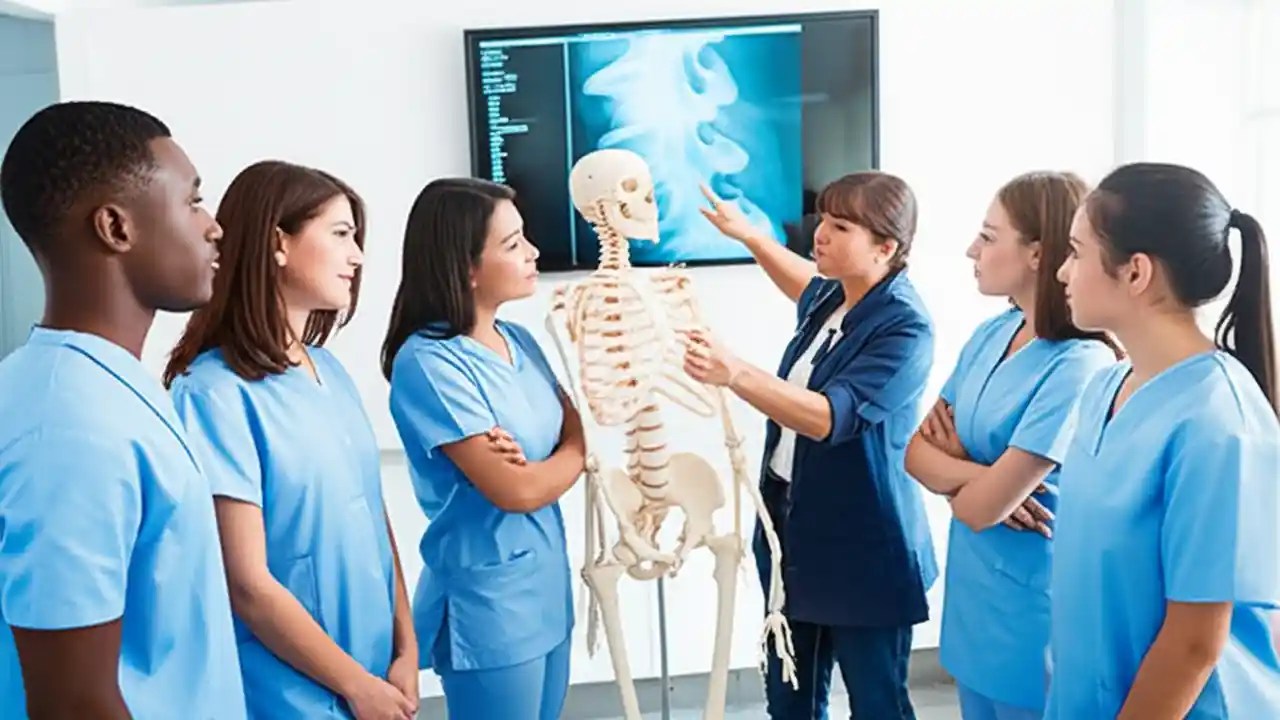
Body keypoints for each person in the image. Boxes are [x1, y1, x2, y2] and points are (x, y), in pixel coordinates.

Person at [0, 101, 246, 718]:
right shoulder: (69, 427)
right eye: (192, 201)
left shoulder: (103, 386)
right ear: (115, 228)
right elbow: (72, 702)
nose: (214, 227)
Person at [162, 160, 417, 720]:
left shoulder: (330, 372)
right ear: (279, 242)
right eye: (341, 234)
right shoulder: (213, 394)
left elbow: (375, 518)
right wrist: (356, 686)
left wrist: (407, 648)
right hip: (291, 695)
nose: (357, 257)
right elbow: (247, 582)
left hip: (376, 677)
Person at [687, 173, 938, 719]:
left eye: (840, 226)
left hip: (864, 542)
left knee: (877, 703)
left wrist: (735, 373)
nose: (819, 234)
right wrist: (750, 237)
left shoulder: (905, 327)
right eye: (822, 219)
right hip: (791, 526)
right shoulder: (834, 295)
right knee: (789, 695)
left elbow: (829, 418)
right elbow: (802, 279)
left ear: (886, 247)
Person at [1049, 162, 1280, 718]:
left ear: (1135, 273)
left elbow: (1195, 642)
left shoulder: (1217, 422)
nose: (1061, 272)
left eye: (1076, 252)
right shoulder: (1105, 385)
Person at [903, 171, 1121, 720]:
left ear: (1036, 253)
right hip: (976, 602)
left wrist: (962, 472)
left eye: (988, 236)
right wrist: (988, 475)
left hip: (1036, 613)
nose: (972, 249)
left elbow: (980, 510)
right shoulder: (990, 335)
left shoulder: (1081, 362)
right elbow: (913, 454)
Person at [381, 177, 584, 720]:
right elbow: (516, 489)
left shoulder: (521, 343)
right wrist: (574, 454)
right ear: (466, 267)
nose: (533, 253)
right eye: (513, 244)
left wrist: (555, 458)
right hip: (489, 602)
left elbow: (573, 428)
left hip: (545, 588)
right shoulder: (429, 363)